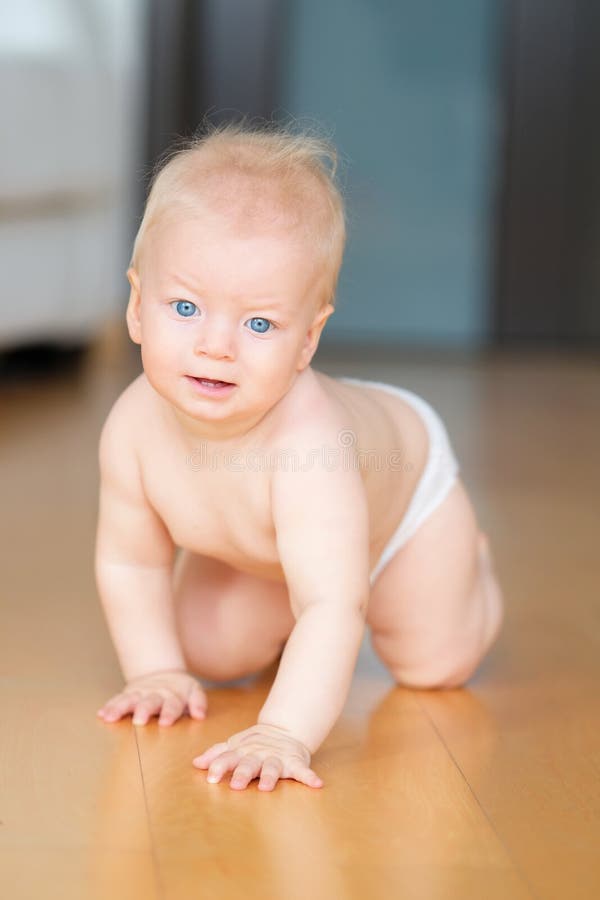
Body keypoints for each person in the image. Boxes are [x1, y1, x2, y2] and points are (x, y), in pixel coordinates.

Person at [95, 120, 504, 792]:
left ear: (308, 340)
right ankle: (287, 606)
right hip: (270, 550)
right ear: (138, 307)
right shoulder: (131, 428)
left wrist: (283, 731)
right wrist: (155, 671)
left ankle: (470, 569)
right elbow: (130, 561)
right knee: (205, 653)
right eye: (186, 307)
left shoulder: (310, 448)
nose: (216, 346)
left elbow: (333, 604)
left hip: (403, 501)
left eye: (259, 323)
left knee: (435, 665)